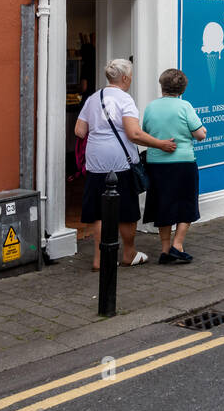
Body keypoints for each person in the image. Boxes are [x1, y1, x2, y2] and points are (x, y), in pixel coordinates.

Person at [74, 59, 175, 270]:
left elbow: (79, 131)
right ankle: (129, 253)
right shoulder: (125, 99)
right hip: (120, 160)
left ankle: (98, 260)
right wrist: (160, 144)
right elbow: (134, 133)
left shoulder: (93, 98)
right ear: (126, 78)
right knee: (127, 210)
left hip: (95, 160)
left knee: (99, 211)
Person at [141, 68, 207, 264]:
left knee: (164, 204)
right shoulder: (185, 106)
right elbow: (200, 134)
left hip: (156, 163)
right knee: (186, 203)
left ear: (162, 86)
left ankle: (164, 250)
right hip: (182, 162)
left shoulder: (151, 107)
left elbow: (146, 132)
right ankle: (177, 245)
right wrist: (200, 129)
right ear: (183, 88)